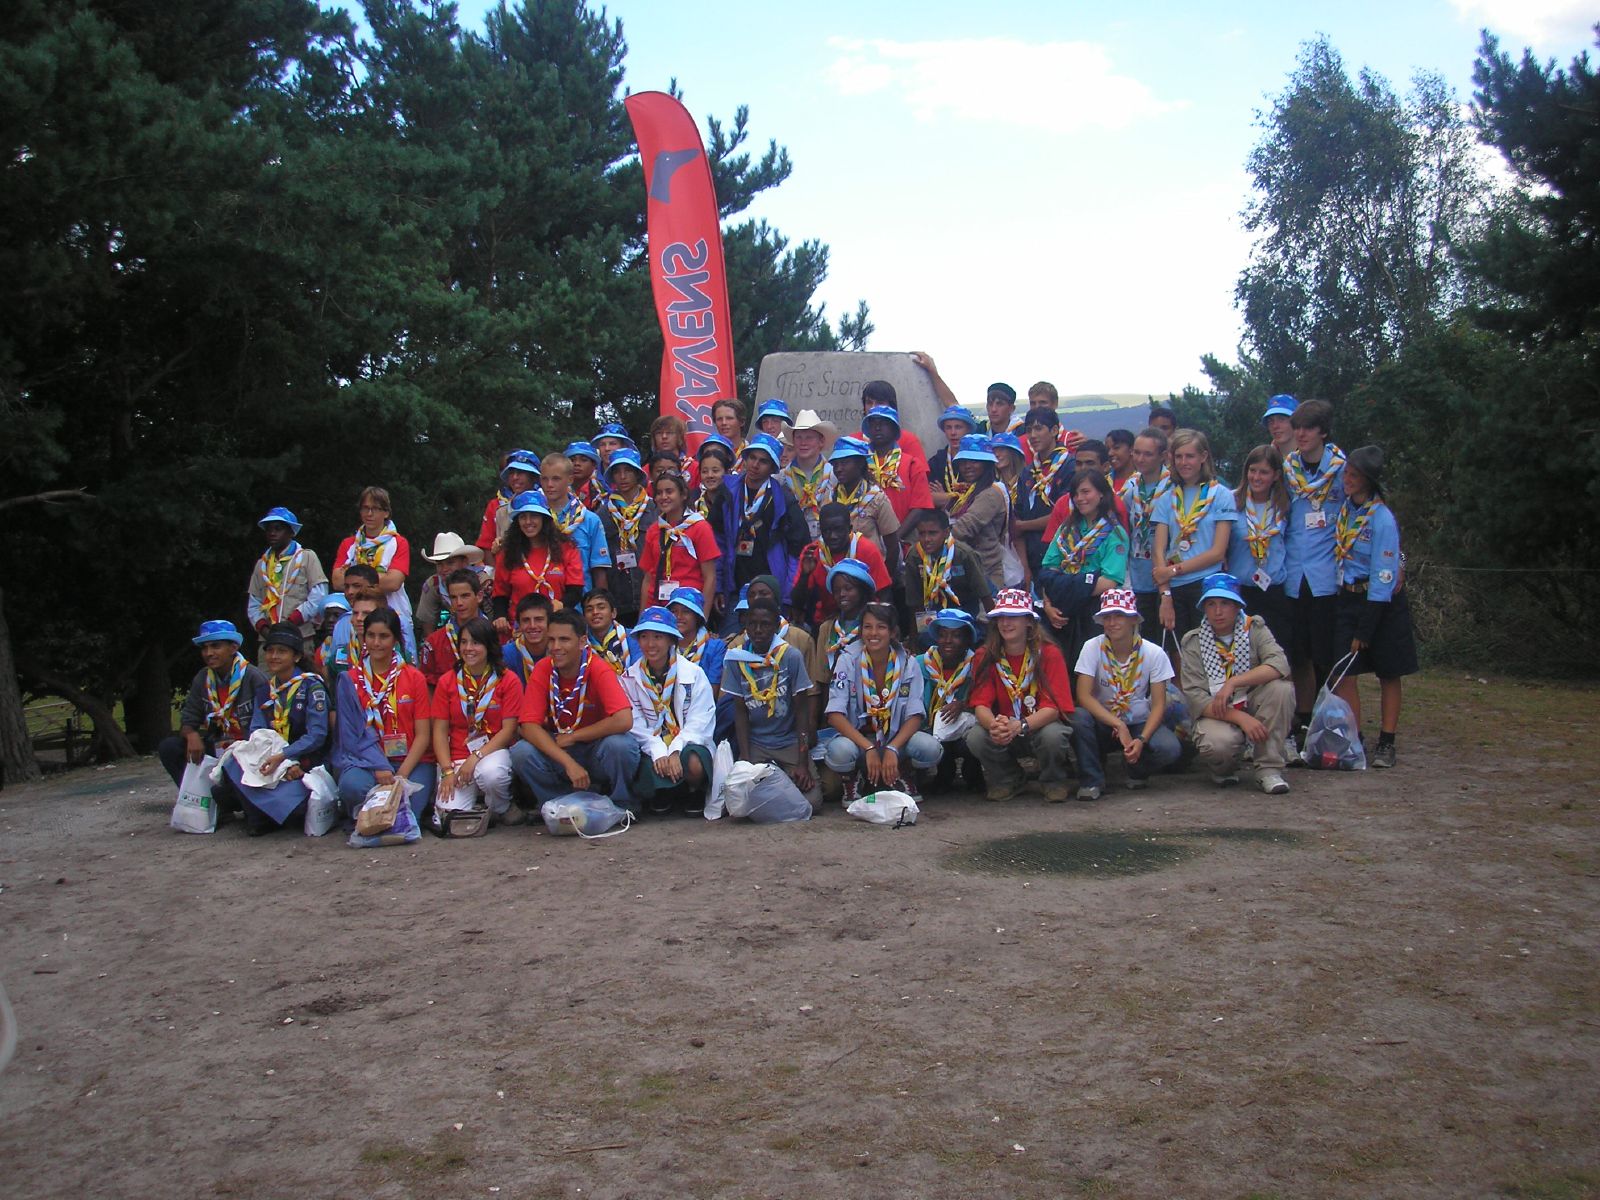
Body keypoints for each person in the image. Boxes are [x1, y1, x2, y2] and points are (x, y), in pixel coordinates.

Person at [1330, 446, 1415, 769]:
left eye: (1354, 476)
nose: (1347, 480)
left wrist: (1367, 626)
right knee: (1343, 670)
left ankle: (1387, 740)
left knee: (1389, 671)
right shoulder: (1345, 509)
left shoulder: (1381, 518)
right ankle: (1355, 737)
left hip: (1380, 601)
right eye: (1346, 474)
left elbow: (1384, 573)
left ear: (1368, 480)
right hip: (1347, 595)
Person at [510, 609, 640, 814]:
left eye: (564, 640)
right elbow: (527, 726)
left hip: (594, 748)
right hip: (560, 748)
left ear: (581, 642)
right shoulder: (544, 668)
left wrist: (574, 737)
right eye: (551, 640)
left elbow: (624, 720)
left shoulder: (598, 668)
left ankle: (620, 805)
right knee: (521, 752)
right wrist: (569, 763)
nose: (556, 647)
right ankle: (558, 805)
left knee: (621, 746)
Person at [1179, 573, 1296, 793]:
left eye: (1225, 603)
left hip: (1252, 699)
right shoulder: (1193, 642)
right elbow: (1196, 697)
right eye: (1211, 604)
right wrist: (1241, 718)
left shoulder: (1255, 629)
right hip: (1217, 709)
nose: (1218, 611)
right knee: (1217, 744)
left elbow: (1279, 664)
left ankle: (1268, 768)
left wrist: (1234, 683)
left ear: (1237, 606)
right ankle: (1224, 768)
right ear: (1204, 608)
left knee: (1281, 689)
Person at [964, 589, 1076, 802]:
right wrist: (995, 726)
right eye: (1001, 617)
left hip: (1039, 726)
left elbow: (1054, 708)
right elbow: (980, 704)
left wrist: (1022, 725)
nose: (1005, 623)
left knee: (1053, 736)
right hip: (1005, 728)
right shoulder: (985, 655)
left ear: (1029, 622)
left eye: (1013, 617)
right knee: (976, 736)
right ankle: (1009, 779)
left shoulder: (1049, 653)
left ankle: (1052, 781)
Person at [1071, 589, 1182, 801]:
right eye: (1107, 617)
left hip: (1138, 720)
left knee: (1169, 748)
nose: (1112, 622)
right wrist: (1117, 724)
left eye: (1119, 616)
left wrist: (1141, 739)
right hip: (1103, 721)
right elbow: (1083, 696)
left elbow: (1159, 704)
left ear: (1133, 620)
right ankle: (1092, 780)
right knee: (1078, 717)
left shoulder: (1153, 652)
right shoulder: (1092, 647)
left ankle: (1136, 768)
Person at [824, 602, 939, 804]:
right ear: (860, 631)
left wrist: (893, 748)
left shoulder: (907, 663)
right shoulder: (847, 660)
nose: (873, 633)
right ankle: (853, 778)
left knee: (929, 747)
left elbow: (915, 715)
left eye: (881, 627)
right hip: (859, 742)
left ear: (893, 632)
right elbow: (834, 714)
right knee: (839, 751)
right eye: (867, 627)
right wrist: (868, 748)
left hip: (895, 740)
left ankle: (901, 771)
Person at [224, 622, 330, 836]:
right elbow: (257, 732)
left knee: (298, 809)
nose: (273, 656)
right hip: (274, 760)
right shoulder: (265, 691)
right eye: (270, 651)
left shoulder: (312, 687)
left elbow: (317, 735)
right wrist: (278, 761)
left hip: (304, 763)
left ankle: (261, 812)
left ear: (297, 656)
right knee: (231, 760)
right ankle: (261, 815)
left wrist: (289, 759)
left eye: (281, 651)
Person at [1281, 398, 1346, 743]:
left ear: (1323, 431)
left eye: (1308, 428)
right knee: (1298, 654)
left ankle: (1335, 718)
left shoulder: (1341, 469)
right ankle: (1303, 719)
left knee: (1327, 656)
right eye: (1298, 427)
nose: (1301, 434)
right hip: (1293, 575)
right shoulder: (1287, 469)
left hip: (1327, 577)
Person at [331, 607, 436, 820]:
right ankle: (363, 815)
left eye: (384, 636)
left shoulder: (414, 677)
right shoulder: (349, 681)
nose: (376, 643)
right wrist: (379, 767)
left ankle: (376, 815)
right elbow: (350, 737)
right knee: (352, 787)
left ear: (396, 639)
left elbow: (423, 734)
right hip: (366, 762)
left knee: (407, 810)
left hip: (411, 761)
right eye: (371, 635)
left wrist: (401, 775)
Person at [722, 597, 819, 806]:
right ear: (745, 626)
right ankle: (778, 780)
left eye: (765, 624)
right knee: (740, 801)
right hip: (757, 743)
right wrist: (746, 758)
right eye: (752, 624)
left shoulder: (791, 656)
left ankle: (779, 778)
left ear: (776, 626)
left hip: (788, 741)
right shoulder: (735, 658)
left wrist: (802, 762)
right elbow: (740, 712)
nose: (758, 630)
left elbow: (802, 711)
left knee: (813, 801)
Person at [622, 606, 716, 814]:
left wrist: (674, 750)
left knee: (693, 763)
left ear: (672, 640)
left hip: (684, 742)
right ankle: (664, 792)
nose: (650, 644)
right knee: (644, 762)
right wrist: (658, 751)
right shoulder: (630, 677)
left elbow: (700, 721)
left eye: (658, 637)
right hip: (652, 743)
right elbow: (635, 723)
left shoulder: (694, 673)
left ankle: (693, 790)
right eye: (644, 637)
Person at [431, 616, 523, 824]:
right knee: (450, 815)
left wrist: (476, 757)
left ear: (489, 646)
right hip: (457, 756)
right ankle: (476, 808)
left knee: (491, 774)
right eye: (464, 642)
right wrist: (446, 771)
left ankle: (500, 807)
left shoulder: (507, 680)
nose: (468, 648)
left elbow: (509, 730)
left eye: (475, 642)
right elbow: (439, 730)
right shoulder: (448, 681)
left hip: (493, 752)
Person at [158, 620, 268, 793]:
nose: (208, 653)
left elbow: (268, 729)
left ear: (233, 648)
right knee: (169, 747)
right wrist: (191, 734)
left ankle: (233, 797)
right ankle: (200, 798)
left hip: (247, 750)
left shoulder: (254, 678)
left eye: (216, 646)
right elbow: (189, 718)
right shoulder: (202, 679)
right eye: (204, 648)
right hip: (217, 746)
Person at [1037, 469, 1131, 667]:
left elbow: (1109, 581)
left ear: (1102, 494)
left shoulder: (1115, 533)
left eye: (1086, 492)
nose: (1080, 498)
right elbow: (1049, 569)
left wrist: (1068, 596)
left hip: (1092, 612)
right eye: (1076, 494)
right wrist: (1048, 605)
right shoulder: (1066, 529)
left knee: (1087, 668)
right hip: (1059, 611)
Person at [1152, 430, 1237, 641]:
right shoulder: (1167, 499)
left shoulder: (1221, 495)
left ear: (1203, 457)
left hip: (1207, 585)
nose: (1183, 462)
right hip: (1174, 588)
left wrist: (1172, 570)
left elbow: (1218, 552)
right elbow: (1158, 550)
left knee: (1209, 651)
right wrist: (1165, 595)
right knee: (1178, 653)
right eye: (1178, 456)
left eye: (1189, 456)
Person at [718, 433, 808, 625]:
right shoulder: (727, 492)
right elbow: (717, 542)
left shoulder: (784, 500)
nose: (755, 465)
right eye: (752, 458)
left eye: (763, 461)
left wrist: (787, 596)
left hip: (771, 590)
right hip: (734, 588)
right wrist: (719, 586)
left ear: (773, 468)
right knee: (732, 643)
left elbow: (796, 551)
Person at [332, 486, 417, 661]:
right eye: (365, 508)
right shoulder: (349, 544)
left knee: (402, 663)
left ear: (386, 512)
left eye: (375, 509)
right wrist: (378, 578)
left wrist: (355, 577)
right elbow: (337, 580)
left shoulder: (398, 543)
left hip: (394, 612)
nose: (369, 513)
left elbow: (394, 582)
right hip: (356, 614)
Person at [1228, 445, 1293, 653]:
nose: (1256, 477)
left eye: (1264, 472)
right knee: (1241, 656)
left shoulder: (1284, 506)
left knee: (1276, 655)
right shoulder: (1231, 501)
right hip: (1240, 592)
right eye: (1252, 470)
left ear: (1275, 475)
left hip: (1273, 591)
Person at [491, 490, 583, 633]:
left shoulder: (566, 548)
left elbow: (575, 589)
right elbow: (500, 593)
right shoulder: (507, 552)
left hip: (557, 626)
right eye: (523, 517)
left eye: (533, 516)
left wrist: (562, 604)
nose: (528, 522)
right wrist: (500, 616)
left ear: (544, 519)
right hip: (520, 630)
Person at [790, 501, 893, 628]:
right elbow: (797, 603)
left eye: (838, 530)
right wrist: (805, 575)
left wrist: (885, 625)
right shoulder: (813, 553)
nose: (832, 536)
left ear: (849, 529)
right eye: (826, 531)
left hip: (865, 621)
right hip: (827, 621)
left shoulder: (866, 549)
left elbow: (884, 594)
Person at [247, 507, 328, 658]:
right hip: (268, 643)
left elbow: (319, 594)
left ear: (291, 532)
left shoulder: (306, 557)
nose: (272, 533)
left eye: (278, 528)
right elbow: (254, 603)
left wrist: (291, 622)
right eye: (269, 529)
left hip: (300, 637)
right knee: (267, 680)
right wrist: (265, 630)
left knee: (301, 680)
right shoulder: (261, 565)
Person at [640, 471, 721, 620]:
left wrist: (703, 617)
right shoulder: (654, 529)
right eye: (659, 493)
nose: (663, 497)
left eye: (669, 491)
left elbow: (710, 577)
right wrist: (642, 617)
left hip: (688, 607)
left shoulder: (700, 527)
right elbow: (647, 578)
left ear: (683, 495)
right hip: (657, 606)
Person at [918, 608, 983, 794]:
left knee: (974, 736)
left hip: (966, 728)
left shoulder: (978, 664)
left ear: (967, 639)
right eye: (943, 634)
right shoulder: (920, 664)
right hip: (928, 727)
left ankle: (973, 772)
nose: (948, 641)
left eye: (956, 635)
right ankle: (942, 772)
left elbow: (986, 701)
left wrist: (964, 705)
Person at [903, 507, 991, 645]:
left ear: (946, 532)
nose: (927, 539)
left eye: (933, 533)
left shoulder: (964, 555)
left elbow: (985, 596)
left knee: (969, 639)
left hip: (964, 609)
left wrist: (995, 637)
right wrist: (915, 641)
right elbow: (914, 603)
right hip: (932, 611)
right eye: (922, 533)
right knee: (926, 641)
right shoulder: (915, 556)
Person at [1121, 427, 1173, 643]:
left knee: (1170, 641)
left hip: (1168, 576)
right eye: (1136, 452)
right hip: (1139, 576)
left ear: (1163, 456)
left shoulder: (1173, 487)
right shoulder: (1131, 489)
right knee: (1145, 640)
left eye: (1148, 454)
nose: (1140, 459)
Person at [596, 446, 657, 624]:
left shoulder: (655, 509)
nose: (622, 477)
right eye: (617, 472)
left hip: (649, 593)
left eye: (628, 471)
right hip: (617, 595)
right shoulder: (603, 512)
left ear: (638, 474)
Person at [1014, 410, 1073, 577]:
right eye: (1029, 430)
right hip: (1032, 558)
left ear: (1054, 430)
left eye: (1039, 429)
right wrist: (1024, 568)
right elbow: (1018, 517)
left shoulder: (1070, 466)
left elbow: (1065, 515)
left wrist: (1024, 526)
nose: (1032, 435)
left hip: (1062, 557)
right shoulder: (1028, 472)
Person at [542, 452, 612, 594]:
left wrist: (599, 603)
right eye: (544, 479)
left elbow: (599, 570)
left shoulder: (589, 520)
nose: (549, 485)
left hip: (579, 604)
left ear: (570, 479)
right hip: (540, 604)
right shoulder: (534, 519)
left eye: (556, 479)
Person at [947, 433, 1010, 586]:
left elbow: (963, 528)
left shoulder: (990, 493)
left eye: (975, 461)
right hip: (971, 571)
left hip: (987, 575)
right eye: (964, 462)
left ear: (987, 464)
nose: (967, 466)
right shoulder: (970, 490)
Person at [824, 437, 900, 562]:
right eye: (835, 464)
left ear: (860, 463)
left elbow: (892, 546)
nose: (838, 469)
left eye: (844, 463)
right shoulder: (831, 496)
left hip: (871, 571)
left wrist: (886, 579)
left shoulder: (876, 498)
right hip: (837, 570)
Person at [861, 405, 934, 538]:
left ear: (895, 430)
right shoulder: (860, 463)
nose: (878, 428)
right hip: (865, 541)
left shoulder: (912, 464)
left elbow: (919, 507)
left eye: (884, 423)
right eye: (873, 423)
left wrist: (894, 540)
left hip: (904, 540)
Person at [418, 568, 486, 688]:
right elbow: (426, 686)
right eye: (453, 597)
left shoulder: (496, 633)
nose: (459, 603)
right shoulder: (434, 642)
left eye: (465, 596)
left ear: (479, 596)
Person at [415, 532, 489, 637]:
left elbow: (494, 618)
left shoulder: (483, 581)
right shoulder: (433, 585)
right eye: (439, 564)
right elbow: (428, 624)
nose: (444, 569)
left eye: (450, 563)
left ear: (465, 562)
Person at [783, 409, 837, 538]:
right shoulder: (782, 477)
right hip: (793, 544)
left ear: (821, 442)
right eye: (799, 437)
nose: (803, 443)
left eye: (809, 437)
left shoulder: (834, 475)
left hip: (827, 544)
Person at [477, 450, 541, 556]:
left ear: (533, 476)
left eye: (521, 472)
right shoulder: (501, 512)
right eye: (511, 473)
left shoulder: (549, 507)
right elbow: (487, 547)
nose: (515, 477)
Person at [928, 404, 978, 510]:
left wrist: (945, 497)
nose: (953, 433)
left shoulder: (979, 461)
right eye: (948, 427)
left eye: (958, 427)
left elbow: (979, 499)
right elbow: (928, 498)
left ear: (969, 429)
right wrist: (962, 498)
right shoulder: (936, 462)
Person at [583, 587, 641, 674]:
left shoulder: (633, 638)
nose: (595, 612)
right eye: (589, 609)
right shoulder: (581, 643)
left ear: (613, 613)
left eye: (601, 607)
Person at [506, 592, 552, 683]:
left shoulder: (559, 652)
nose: (532, 626)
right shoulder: (506, 655)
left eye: (539, 619)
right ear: (518, 624)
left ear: (550, 622)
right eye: (526, 620)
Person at [649, 413, 699, 487]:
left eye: (669, 433)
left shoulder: (695, 468)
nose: (664, 436)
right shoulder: (646, 470)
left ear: (680, 437)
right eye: (659, 433)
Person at [566, 441, 605, 511]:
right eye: (572, 460)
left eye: (583, 460)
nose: (577, 463)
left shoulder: (602, 492)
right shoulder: (559, 489)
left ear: (594, 465)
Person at [1263, 394, 1298, 460]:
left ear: (1296, 422)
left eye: (1282, 419)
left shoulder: (1312, 456)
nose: (1275, 426)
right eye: (1271, 421)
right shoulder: (1265, 460)